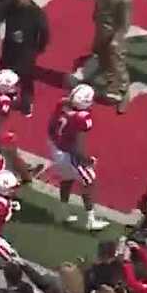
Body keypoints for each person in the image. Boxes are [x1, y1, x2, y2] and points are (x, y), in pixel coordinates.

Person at [47, 84, 109, 231]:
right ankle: (90, 220)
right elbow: (79, 145)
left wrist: (57, 142)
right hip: (69, 154)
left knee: (67, 178)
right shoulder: (82, 117)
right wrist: (86, 160)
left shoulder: (62, 103)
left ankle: (62, 212)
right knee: (89, 180)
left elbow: (50, 127)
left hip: (55, 148)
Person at [76, 0, 132, 110]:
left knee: (117, 62)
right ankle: (107, 80)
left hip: (113, 31)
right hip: (100, 27)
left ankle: (124, 91)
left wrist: (117, 38)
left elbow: (125, 21)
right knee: (100, 54)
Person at [1, 0, 49, 116]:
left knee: (26, 77)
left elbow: (44, 33)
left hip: (26, 51)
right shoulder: (12, 7)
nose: (18, 0)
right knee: (6, 72)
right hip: (10, 47)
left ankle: (27, 104)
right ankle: (6, 99)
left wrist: (39, 48)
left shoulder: (37, 14)